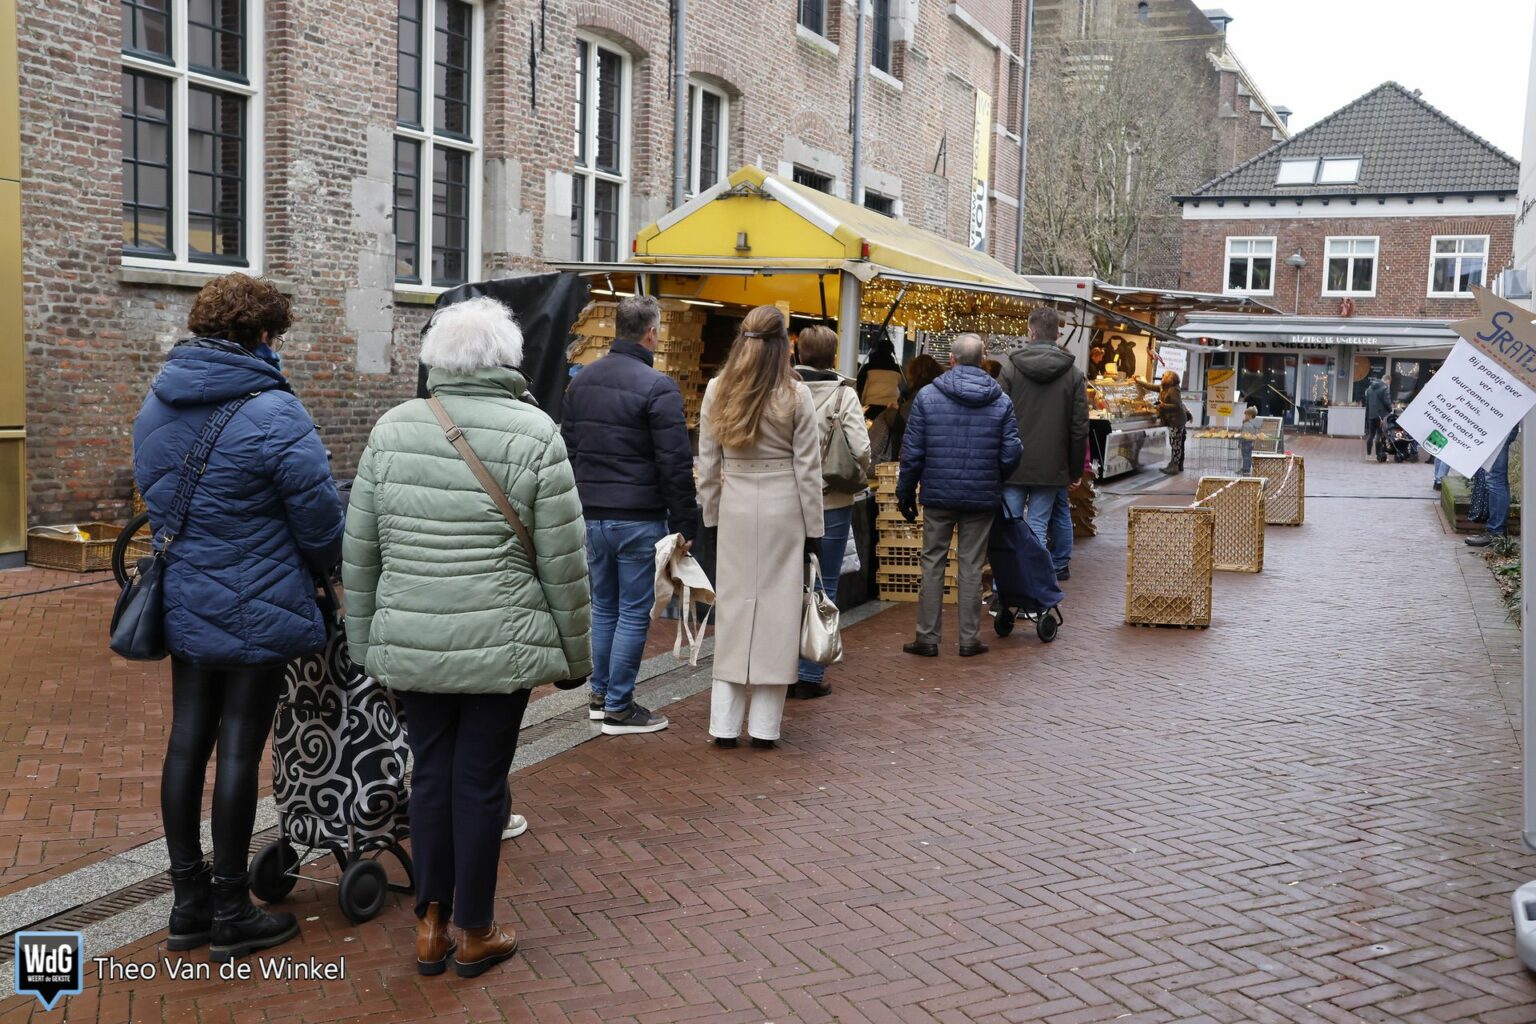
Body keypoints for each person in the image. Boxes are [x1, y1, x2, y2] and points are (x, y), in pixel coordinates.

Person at [342, 297, 592, 979]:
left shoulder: (392, 430)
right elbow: (564, 563)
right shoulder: (536, 432)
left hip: (414, 641)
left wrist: (364, 643)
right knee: (480, 783)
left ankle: (429, 926)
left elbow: (360, 551)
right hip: (502, 642)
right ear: (508, 356)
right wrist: (576, 657)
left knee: (430, 775)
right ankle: (475, 929)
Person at [132, 273, 345, 962]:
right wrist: (328, 570)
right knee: (240, 747)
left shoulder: (156, 404)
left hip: (188, 597)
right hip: (260, 602)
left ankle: (186, 905)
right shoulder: (275, 411)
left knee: (187, 740)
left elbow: (160, 497)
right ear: (261, 335)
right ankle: (231, 909)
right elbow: (320, 523)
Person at [561, 294, 698, 736]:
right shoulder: (658, 387)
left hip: (591, 515)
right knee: (635, 612)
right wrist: (685, 524)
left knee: (603, 607)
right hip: (638, 517)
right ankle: (619, 705)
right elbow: (674, 462)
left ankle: (600, 697)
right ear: (652, 332)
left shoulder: (580, 382)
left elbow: (570, 450)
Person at [697, 306, 824, 749]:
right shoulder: (794, 394)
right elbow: (808, 468)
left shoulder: (717, 389)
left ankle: (724, 725)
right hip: (783, 505)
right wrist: (815, 528)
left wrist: (711, 517)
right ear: (782, 343)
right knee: (777, 615)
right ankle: (764, 727)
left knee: (733, 611)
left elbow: (708, 465)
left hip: (734, 504)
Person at [897, 334, 1022, 658]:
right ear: (982, 361)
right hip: (981, 496)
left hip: (938, 493)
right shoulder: (1000, 400)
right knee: (970, 565)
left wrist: (906, 491)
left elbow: (912, 452)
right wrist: (994, 477)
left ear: (950, 359)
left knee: (933, 563)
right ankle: (968, 638)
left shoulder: (927, 397)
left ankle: (927, 637)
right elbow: (1012, 452)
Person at [793, 325, 872, 699]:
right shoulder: (844, 394)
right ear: (833, 355)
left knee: (786, 584)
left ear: (799, 352)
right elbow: (861, 448)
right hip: (833, 503)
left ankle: (781, 668)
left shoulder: (781, 389)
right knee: (825, 584)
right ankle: (809, 673)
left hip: (787, 500)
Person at [997, 308, 1089, 581]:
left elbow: (997, 417)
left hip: (1013, 464)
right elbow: (1079, 428)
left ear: (1031, 332)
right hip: (1051, 466)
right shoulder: (1072, 374)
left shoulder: (1010, 368)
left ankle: (1007, 588)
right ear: (1057, 334)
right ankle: (1032, 589)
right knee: (1037, 525)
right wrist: (1074, 470)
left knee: (1010, 525)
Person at [1467, 427, 1519, 548]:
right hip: (1501, 427)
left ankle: (1496, 532)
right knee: (1498, 480)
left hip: (1499, 428)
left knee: (1495, 480)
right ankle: (1497, 531)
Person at [857, 337, 903, 416]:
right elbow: (901, 388)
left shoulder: (867, 367)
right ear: (891, 352)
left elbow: (861, 387)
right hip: (891, 407)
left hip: (870, 406)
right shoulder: (897, 369)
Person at [1364, 374, 1392, 460]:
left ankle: (1368, 455)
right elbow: (1387, 402)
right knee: (1380, 434)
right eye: (1389, 382)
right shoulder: (1384, 388)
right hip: (1381, 415)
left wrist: (1368, 414)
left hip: (1371, 415)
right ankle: (1378, 455)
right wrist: (1390, 409)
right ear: (1387, 380)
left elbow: (1367, 403)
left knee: (1371, 434)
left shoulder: (1369, 389)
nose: (1388, 384)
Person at [1238, 406, 1260, 474]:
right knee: (1247, 455)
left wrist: (1240, 442)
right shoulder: (1253, 424)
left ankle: (1246, 469)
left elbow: (1243, 434)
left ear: (1250, 416)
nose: (1245, 416)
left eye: (1246, 415)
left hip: (1246, 441)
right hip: (1250, 442)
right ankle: (1246, 468)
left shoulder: (1247, 424)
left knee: (1245, 455)